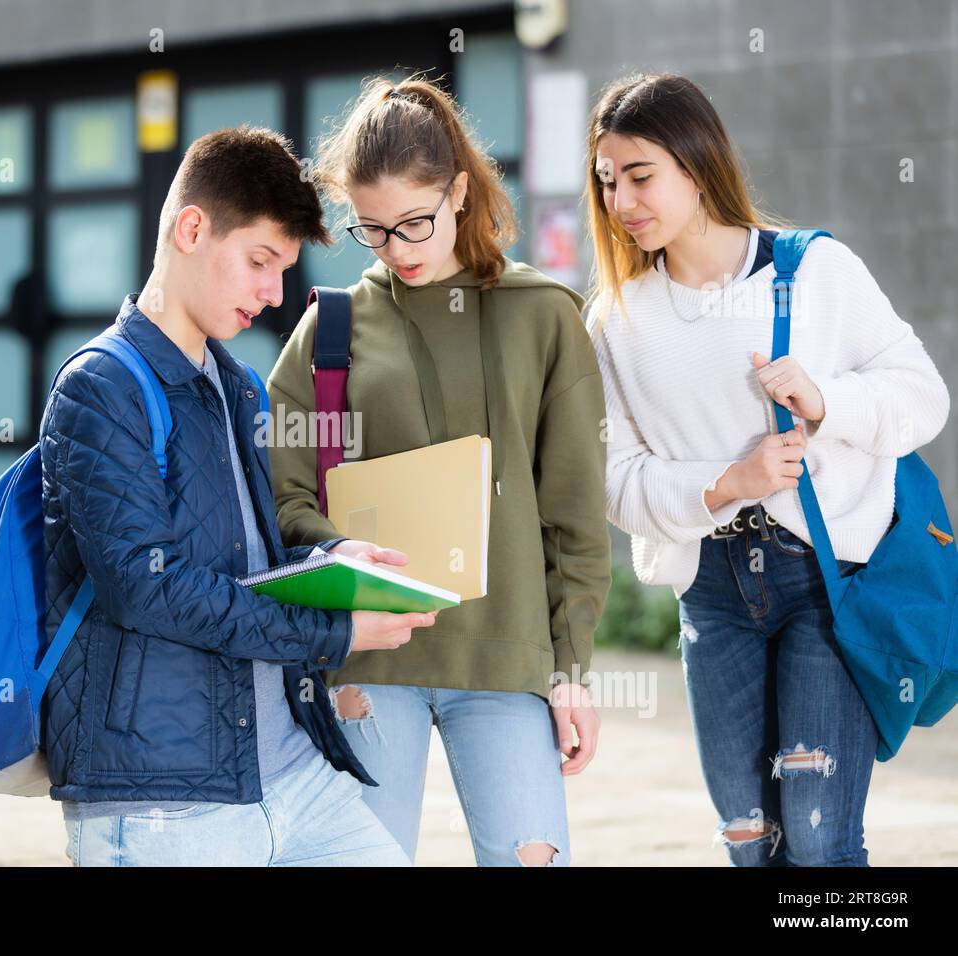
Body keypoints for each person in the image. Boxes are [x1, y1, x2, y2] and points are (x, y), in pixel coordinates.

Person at [583, 73, 950, 865]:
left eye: (640, 176)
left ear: (696, 161)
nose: (622, 201)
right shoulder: (615, 317)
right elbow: (613, 480)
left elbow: (925, 399)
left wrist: (825, 401)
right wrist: (728, 483)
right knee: (751, 843)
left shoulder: (816, 271)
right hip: (712, 595)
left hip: (825, 579)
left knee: (816, 839)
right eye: (608, 182)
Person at [43, 125, 435, 867]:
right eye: (259, 261)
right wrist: (333, 636)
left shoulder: (235, 384)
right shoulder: (100, 388)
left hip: (289, 775)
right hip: (163, 803)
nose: (273, 292)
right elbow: (145, 588)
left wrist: (332, 555)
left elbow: (244, 555)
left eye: (283, 269)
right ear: (192, 229)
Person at [267, 78, 612, 867]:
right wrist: (335, 549)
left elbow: (574, 515)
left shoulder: (544, 315)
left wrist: (572, 670)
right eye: (374, 230)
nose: (399, 249)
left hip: (507, 661)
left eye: (416, 221)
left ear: (459, 190)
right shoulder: (333, 327)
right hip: (370, 657)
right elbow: (286, 492)